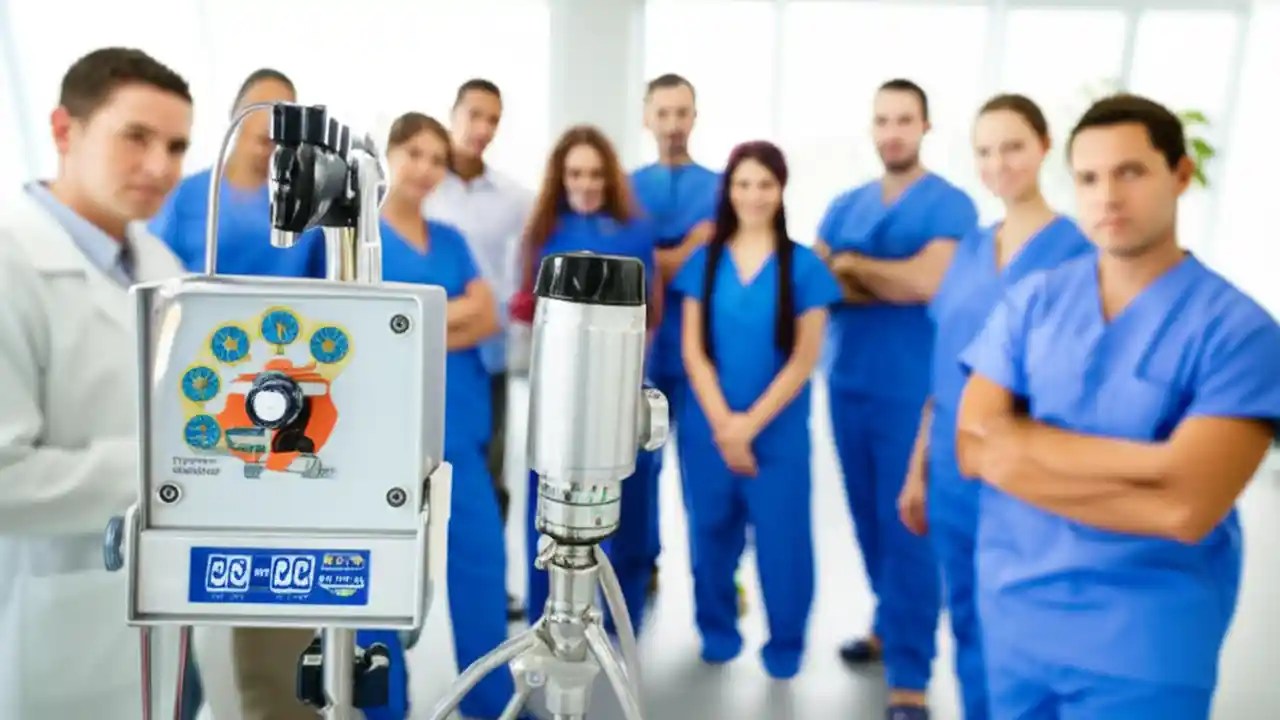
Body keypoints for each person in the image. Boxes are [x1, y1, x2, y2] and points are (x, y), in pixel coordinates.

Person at [957, 94, 1280, 720]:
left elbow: (1188, 510)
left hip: (1145, 642)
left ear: (1180, 176)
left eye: (1130, 172)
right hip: (1017, 617)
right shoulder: (1034, 301)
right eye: (1088, 178)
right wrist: (1155, 463)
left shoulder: (1241, 333)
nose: (1107, 196)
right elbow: (972, 447)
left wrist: (1019, 454)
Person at [0, 47, 192, 719]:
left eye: (176, 145)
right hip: (52, 607)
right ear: (63, 130)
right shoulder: (12, 262)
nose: (161, 167)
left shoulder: (158, 260)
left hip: (162, 608)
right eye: (135, 137)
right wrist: (175, 473)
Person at [896, 94, 1093, 720]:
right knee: (970, 624)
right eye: (984, 151)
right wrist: (917, 468)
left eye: (1012, 146)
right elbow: (943, 368)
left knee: (1030, 630)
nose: (999, 163)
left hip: (1032, 478)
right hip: (955, 475)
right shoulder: (972, 250)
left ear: (1043, 145)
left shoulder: (1081, 253)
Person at [817, 78, 978, 717]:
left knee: (909, 523)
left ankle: (910, 672)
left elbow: (926, 283)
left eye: (904, 120)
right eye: (882, 119)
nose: (892, 131)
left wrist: (855, 267)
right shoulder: (843, 203)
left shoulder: (951, 206)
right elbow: (819, 283)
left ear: (926, 126)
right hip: (847, 381)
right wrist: (869, 275)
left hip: (912, 392)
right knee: (866, 519)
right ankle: (888, 624)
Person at [672, 141, 839, 680]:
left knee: (784, 543)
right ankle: (717, 631)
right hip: (708, 431)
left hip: (778, 434)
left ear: (782, 190)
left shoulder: (805, 267)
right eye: (743, 184)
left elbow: (803, 359)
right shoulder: (704, 263)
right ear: (728, 191)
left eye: (765, 184)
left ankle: (785, 644)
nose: (754, 195)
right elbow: (693, 353)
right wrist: (725, 425)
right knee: (710, 536)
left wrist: (749, 426)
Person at [379, 112, 513, 720]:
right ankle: (382, 707)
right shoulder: (358, 242)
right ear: (389, 155)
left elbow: (488, 317)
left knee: (483, 563)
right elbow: (362, 336)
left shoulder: (452, 239)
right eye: (414, 153)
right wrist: (443, 316)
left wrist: (407, 322)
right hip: (384, 436)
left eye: (437, 158)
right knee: (381, 575)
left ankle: (491, 700)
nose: (426, 168)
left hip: (458, 428)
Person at [510, 125, 661, 631]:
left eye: (596, 173)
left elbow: (651, 317)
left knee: (628, 514)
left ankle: (620, 624)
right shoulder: (542, 234)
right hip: (557, 402)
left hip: (619, 394)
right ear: (560, 176)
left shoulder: (637, 233)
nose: (586, 183)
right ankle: (546, 621)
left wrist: (626, 393)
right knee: (549, 516)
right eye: (575, 173)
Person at [423, 78, 532, 620]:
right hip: (419, 362)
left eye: (494, 119)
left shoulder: (514, 199)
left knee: (489, 478)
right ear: (453, 114)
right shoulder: (422, 187)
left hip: (484, 360)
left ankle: (490, 583)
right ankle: (413, 579)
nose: (483, 129)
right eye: (475, 115)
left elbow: (526, 268)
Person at [628, 73, 722, 594]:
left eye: (681, 113)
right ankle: (643, 566)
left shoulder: (723, 186)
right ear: (646, 117)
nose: (672, 125)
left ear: (695, 116)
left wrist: (658, 259)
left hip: (706, 348)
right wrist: (686, 250)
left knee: (707, 476)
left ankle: (716, 577)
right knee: (640, 468)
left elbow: (727, 262)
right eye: (662, 113)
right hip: (642, 350)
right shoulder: (626, 187)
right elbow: (629, 268)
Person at [150, 68, 325, 276]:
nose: (268, 119)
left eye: (282, 111)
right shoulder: (184, 196)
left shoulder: (307, 208)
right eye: (257, 106)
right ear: (235, 112)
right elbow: (153, 272)